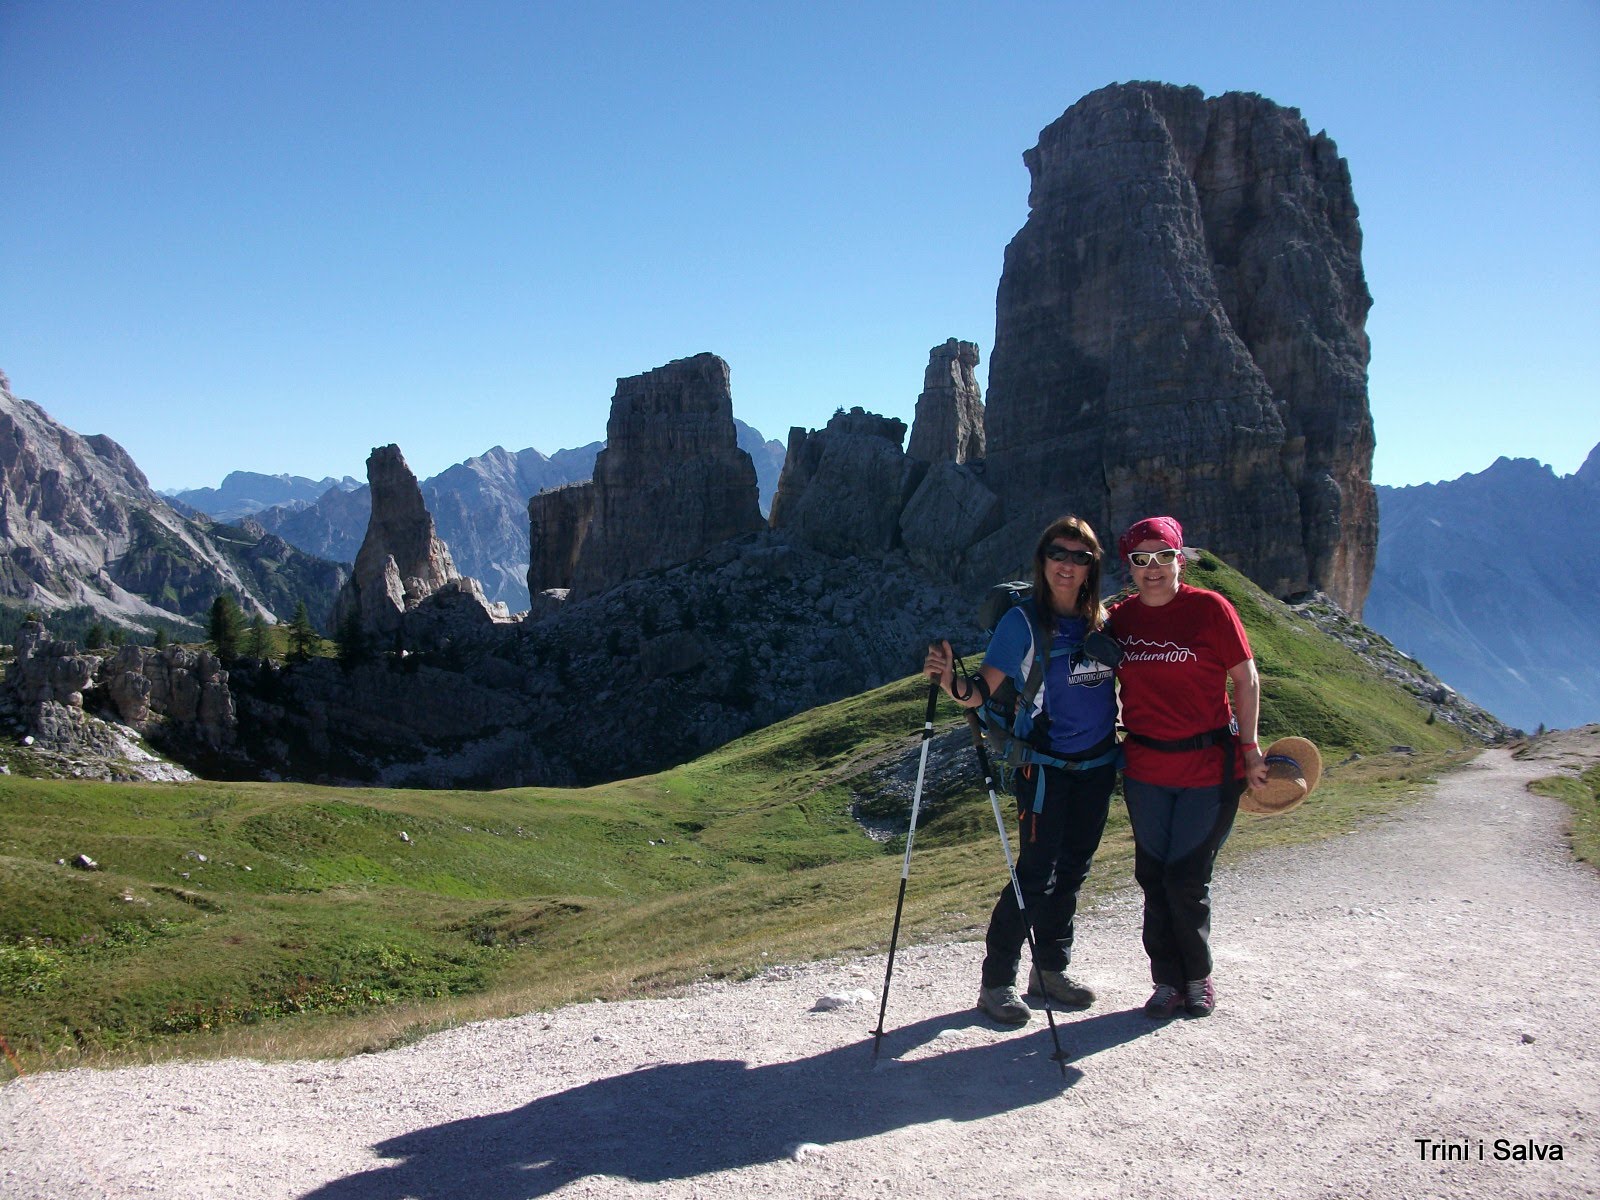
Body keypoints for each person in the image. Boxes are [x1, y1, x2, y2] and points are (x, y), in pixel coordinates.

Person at [924, 515, 1119, 1026]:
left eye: (1081, 557)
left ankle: (1050, 971)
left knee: (1073, 870)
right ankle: (997, 983)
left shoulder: (1103, 619)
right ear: (1042, 559)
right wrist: (950, 684)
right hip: (1045, 769)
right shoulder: (1023, 623)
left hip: (1098, 766)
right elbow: (981, 691)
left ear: (1092, 566)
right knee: (1034, 873)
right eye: (1059, 553)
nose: (1068, 565)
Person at [1107, 516, 1269, 1020]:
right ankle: (1166, 982)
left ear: (1181, 558)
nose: (1152, 568)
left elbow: (1246, 679)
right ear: (1129, 566)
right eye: (1140, 559)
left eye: (1163, 556)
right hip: (1145, 767)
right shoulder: (1121, 619)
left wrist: (1250, 746)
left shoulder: (1210, 609)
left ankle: (1197, 977)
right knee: (1153, 876)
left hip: (1208, 766)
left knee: (1186, 878)